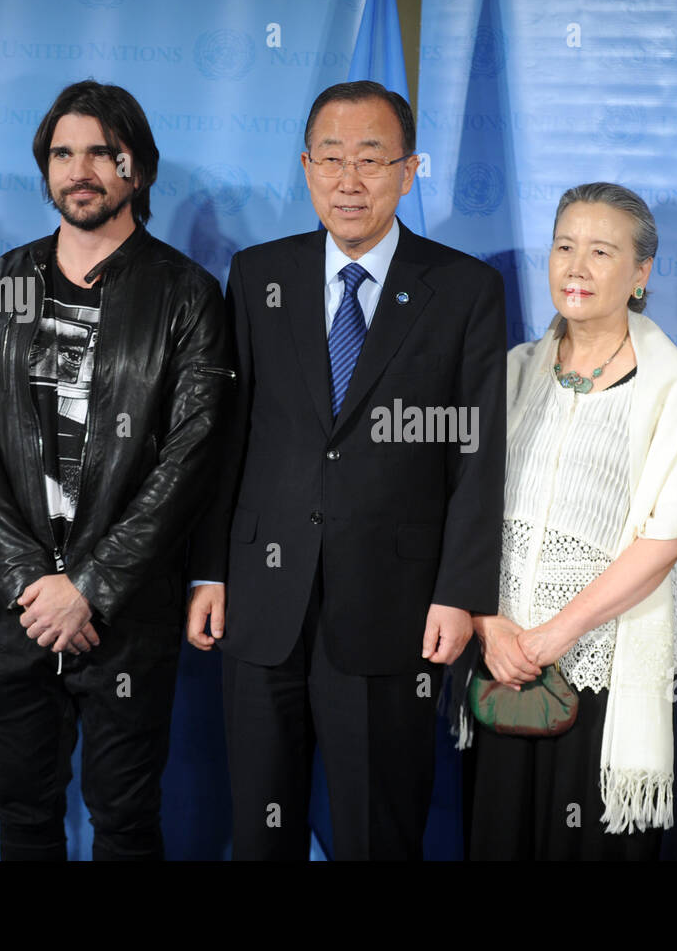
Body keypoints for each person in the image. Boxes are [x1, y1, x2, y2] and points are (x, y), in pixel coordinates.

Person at [186, 80, 506, 861]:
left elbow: (480, 452)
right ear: (305, 167)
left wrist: (459, 592)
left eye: (371, 159)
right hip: (263, 603)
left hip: (394, 609)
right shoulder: (258, 275)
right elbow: (229, 437)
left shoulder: (465, 289)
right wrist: (210, 572)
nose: (349, 180)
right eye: (331, 159)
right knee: (261, 831)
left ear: (409, 169)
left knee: (376, 829)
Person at [0, 80, 233, 861]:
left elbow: (190, 456)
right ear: (45, 169)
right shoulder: (0, 284)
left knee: (125, 822)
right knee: (26, 821)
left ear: (136, 168)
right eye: (63, 153)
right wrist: (30, 584)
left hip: (125, 617)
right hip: (18, 610)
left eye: (101, 154)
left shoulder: (187, 295)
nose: (81, 170)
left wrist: (92, 586)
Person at [465, 183, 677, 860]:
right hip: (501, 663)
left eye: (601, 251)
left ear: (640, 274)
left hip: (601, 664)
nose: (576, 266)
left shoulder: (671, 382)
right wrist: (492, 625)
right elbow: (467, 510)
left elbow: (673, 531)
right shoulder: (512, 371)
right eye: (565, 246)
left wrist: (556, 634)